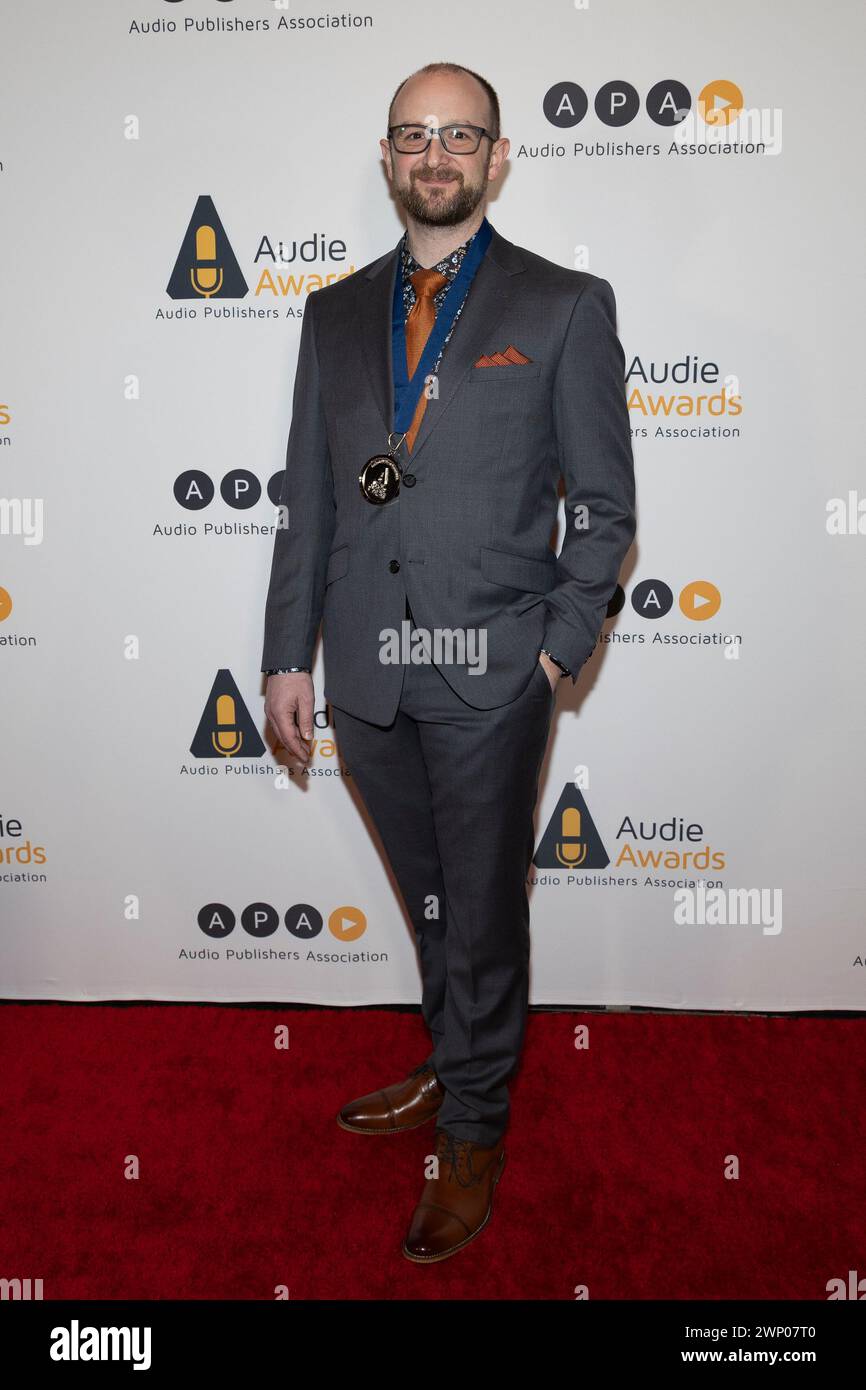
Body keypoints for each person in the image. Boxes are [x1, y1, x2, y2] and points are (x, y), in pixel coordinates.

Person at [261, 60, 636, 1262]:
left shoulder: (563, 305)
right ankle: (449, 1056)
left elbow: (605, 511)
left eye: (459, 136)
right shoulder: (330, 311)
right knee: (433, 906)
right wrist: (285, 660)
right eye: (413, 136)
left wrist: (555, 653)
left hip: (492, 675)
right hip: (366, 674)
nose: (436, 156)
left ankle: (474, 1130)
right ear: (386, 156)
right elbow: (310, 503)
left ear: (497, 156)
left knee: (480, 910)